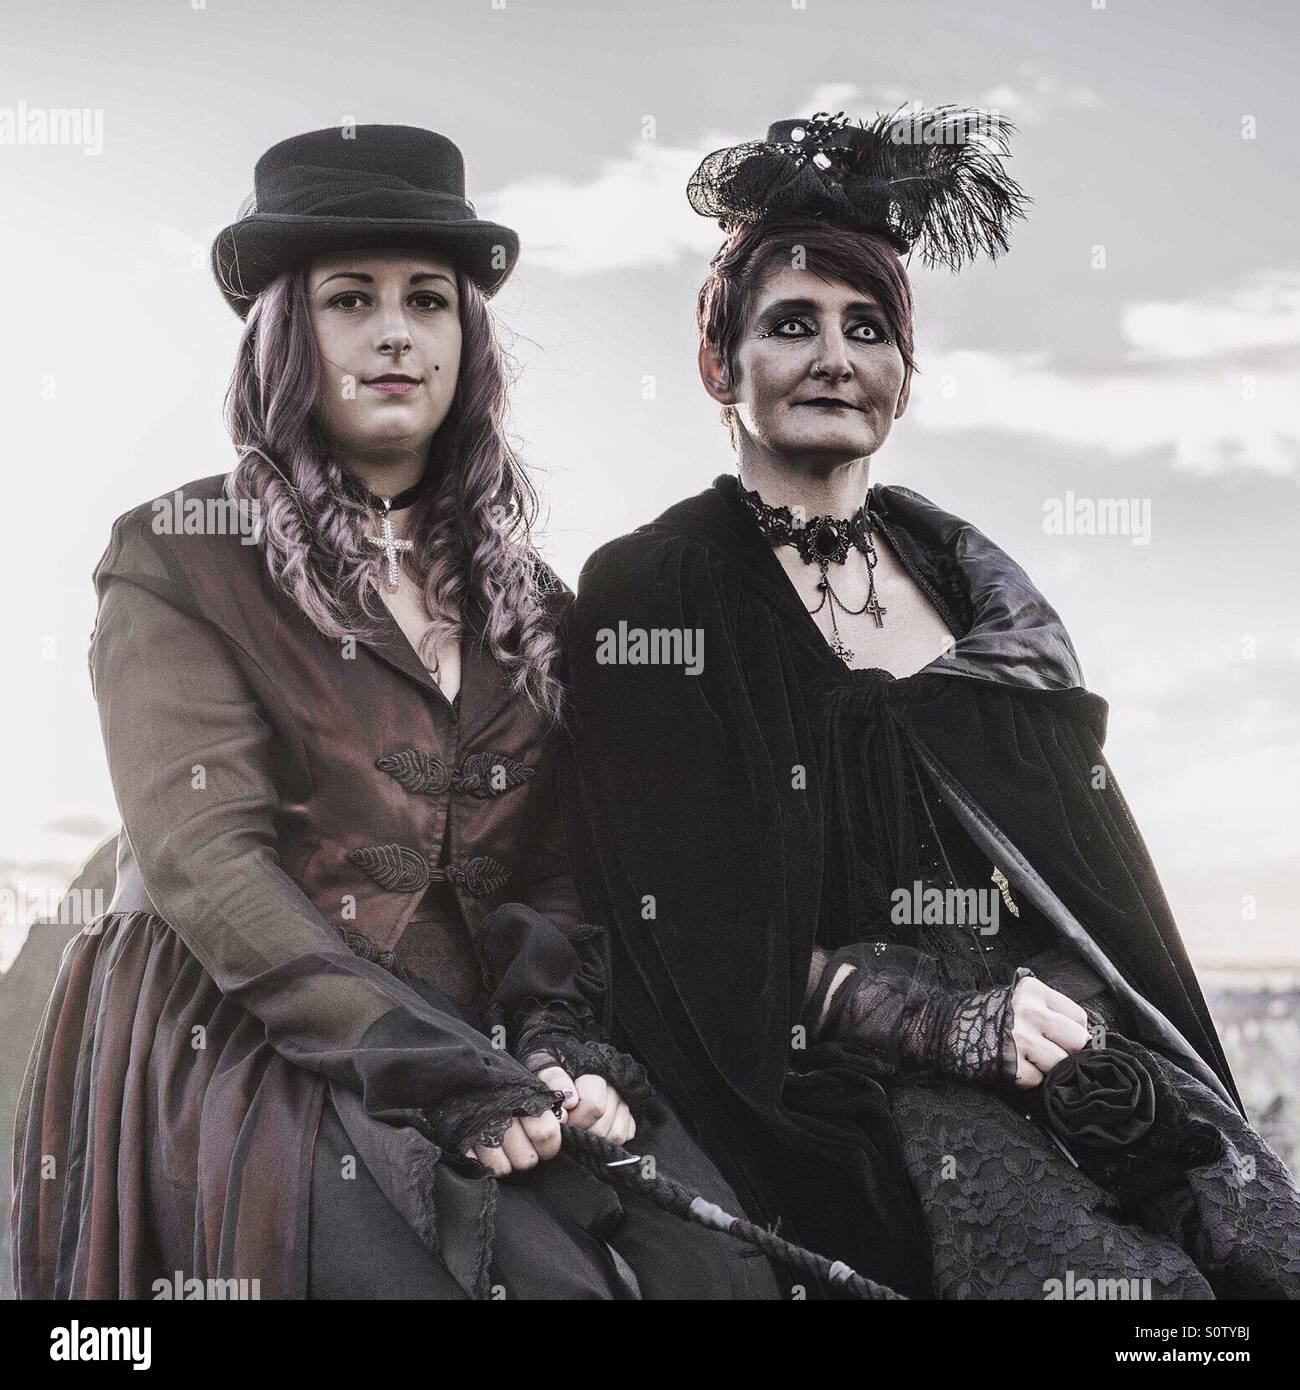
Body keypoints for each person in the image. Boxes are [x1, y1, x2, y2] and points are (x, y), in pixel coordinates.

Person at [10, 123, 776, 1301]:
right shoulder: (177, 556)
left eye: (427, 300)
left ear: (467, 338)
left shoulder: (529, 602)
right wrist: (427, 1064)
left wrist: (557, 1043)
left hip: (487, 1037)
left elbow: (558, 869)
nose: (392, 333)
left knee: (712, 1268)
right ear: (284, 335)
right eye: (348, 299)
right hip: (259, 1031)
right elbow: (205, 861)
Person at [557, 108, 1300, 1299]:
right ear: (718, 364)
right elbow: (682, 923)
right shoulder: (658, 584)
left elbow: (1085, 866)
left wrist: (1069, 1017)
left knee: (1261, 1247)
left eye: (868, 328)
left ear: (906, 372)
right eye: (789, 324)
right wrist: (942, 1026)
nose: (833, 357)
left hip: (1064, 1032)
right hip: (829, 1074)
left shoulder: (967, 573)